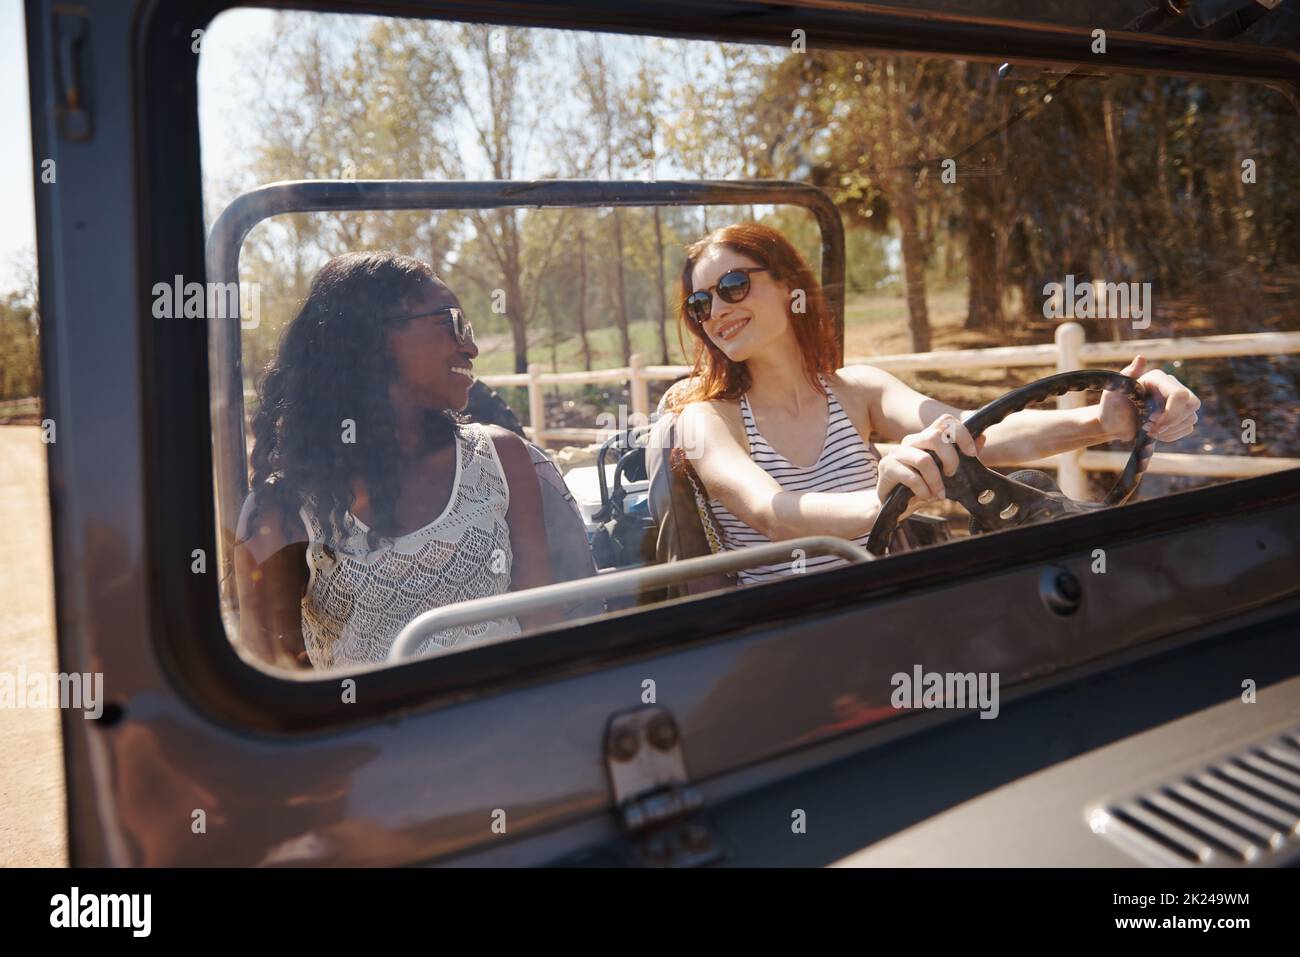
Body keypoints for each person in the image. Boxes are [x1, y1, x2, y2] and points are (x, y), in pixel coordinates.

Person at [670, 223, 1201, 585]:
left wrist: (1102, 420)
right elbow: (773, 516)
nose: (715, 309)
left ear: (788, 285)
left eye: (733, 285)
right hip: (784, 637)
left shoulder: (858, 391)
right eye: (700, 303)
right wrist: (886, 502)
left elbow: (971, 436)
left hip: (892, 605)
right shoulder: (705, 418)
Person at [233, 251, 555, 670]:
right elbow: (271, 684)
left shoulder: (501, 459)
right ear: (372, 339)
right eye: (451, 323)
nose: (471, 347)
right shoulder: (283, 510)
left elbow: (544, 630)